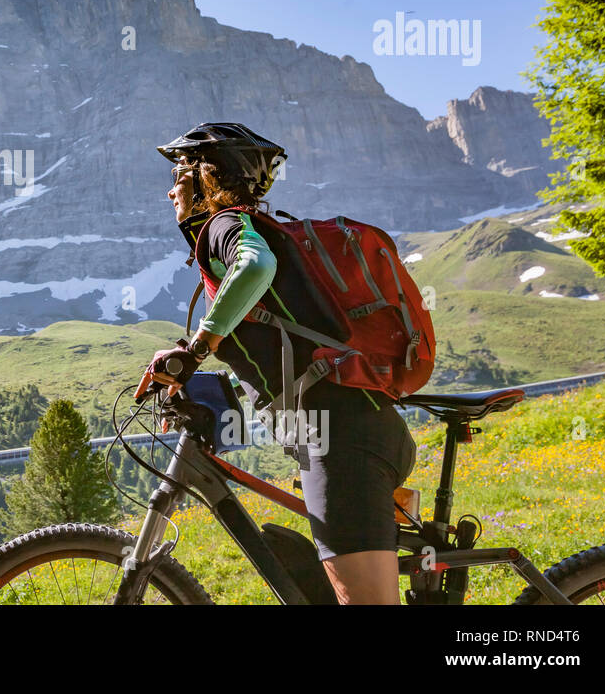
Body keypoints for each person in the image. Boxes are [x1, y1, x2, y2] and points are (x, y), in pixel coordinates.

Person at [156, 122, 417, 604]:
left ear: (202, 178)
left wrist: (197, 349)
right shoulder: (262, 229)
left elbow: (254, 267)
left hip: (343, 446)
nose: (171, 190)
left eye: (178, 174)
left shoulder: (223, 227)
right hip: (359, 433)